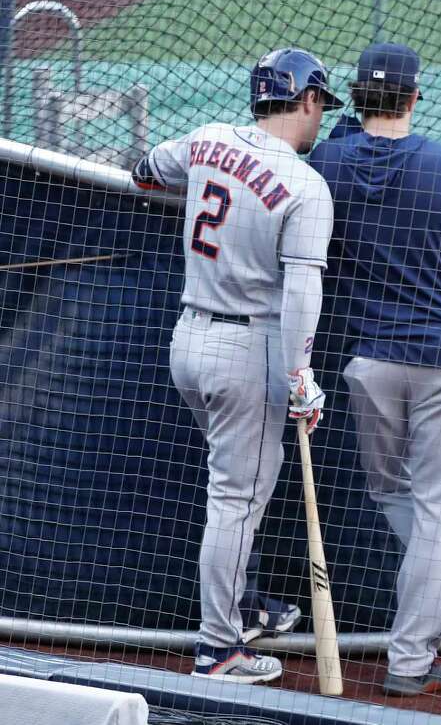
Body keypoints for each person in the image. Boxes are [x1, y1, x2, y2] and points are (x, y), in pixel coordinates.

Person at [132, 47, 340, 683]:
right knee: (236, 498)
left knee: (233, 486)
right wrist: (301, 376)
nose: (321, 120)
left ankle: (237, 601)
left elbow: (143, 173)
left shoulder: (208, 138)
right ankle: (218, 647)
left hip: (188, 341)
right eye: (320, 107)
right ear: (305, 100)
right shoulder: (306, 187)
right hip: (248, 353)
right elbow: (304, 292)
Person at [308, 42, 441, 697]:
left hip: (370, 364)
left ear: (357, 97)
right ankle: (411, 664)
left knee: (396, 495)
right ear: (415, 97)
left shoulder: (328, 162)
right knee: (438, 510)